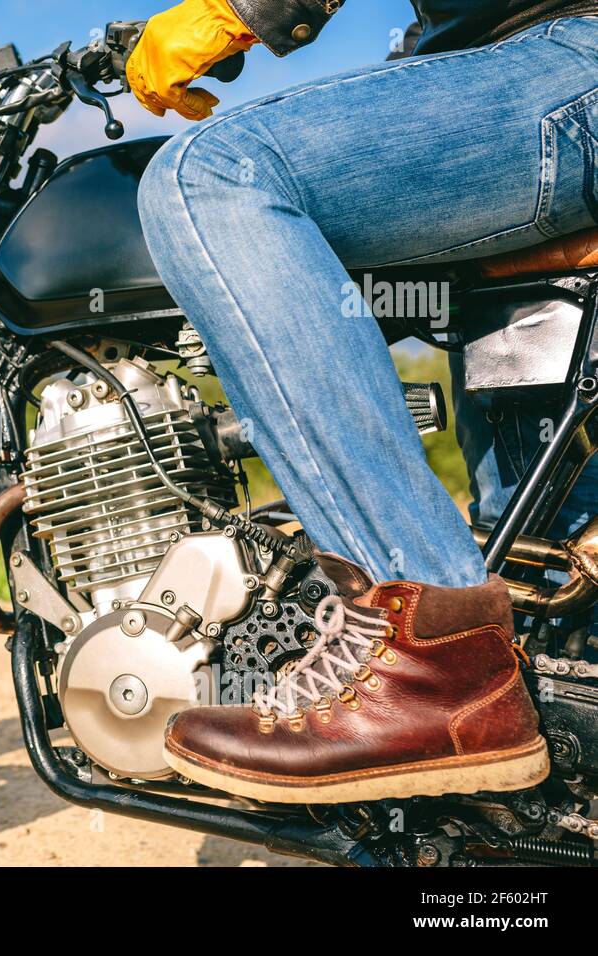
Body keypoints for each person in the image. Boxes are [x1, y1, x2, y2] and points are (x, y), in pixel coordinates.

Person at [128, 0, 598, 803]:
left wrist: (244, 8)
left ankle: (430, 656)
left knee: (212, 175)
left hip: (570, 61)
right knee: (534, 552)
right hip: (520, 66)